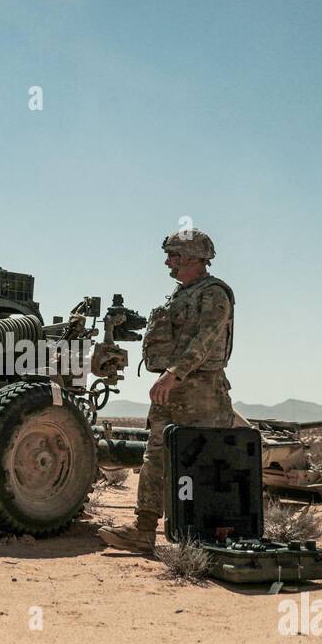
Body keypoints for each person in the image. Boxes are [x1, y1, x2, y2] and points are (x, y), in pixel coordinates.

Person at [98, 229, 237, 554]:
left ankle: (212, 538)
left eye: (173, 255)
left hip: (202, 394)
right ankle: (143, 531)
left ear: (192, 257)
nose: (168, 262)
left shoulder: (214, 294)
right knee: (155, 459)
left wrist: (174, 373)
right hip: (169, 393)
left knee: (205, 463)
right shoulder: (179, 295)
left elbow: (206, 339)